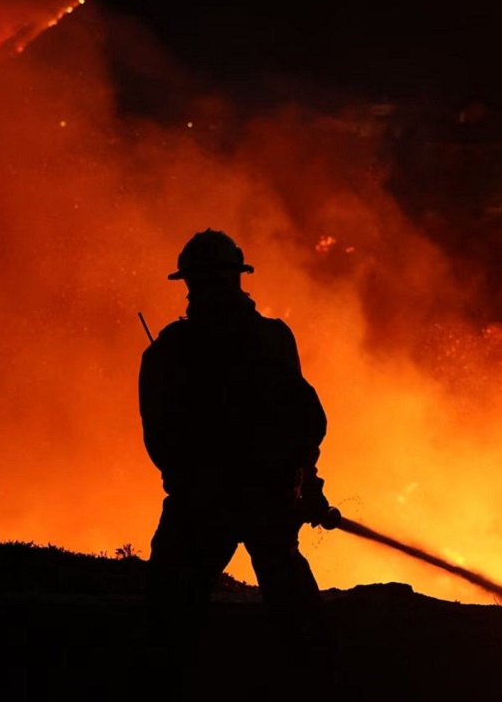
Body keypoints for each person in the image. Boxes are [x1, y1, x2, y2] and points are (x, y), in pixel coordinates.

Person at [138, 229, 339, 697]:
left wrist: (302, 484)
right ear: (238, 278)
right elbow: (304, 423)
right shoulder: (270, 339)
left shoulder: (168, 352)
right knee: (293, 608)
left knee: (170, 614)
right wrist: (301, 485)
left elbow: (161, 439)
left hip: (202, 505)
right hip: (258, 499)